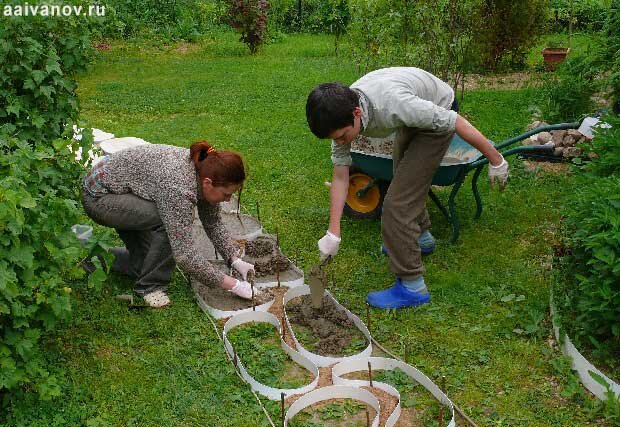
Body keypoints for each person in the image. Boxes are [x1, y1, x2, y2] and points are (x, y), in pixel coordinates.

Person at [306, 67, 509, 309]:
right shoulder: (341, 115)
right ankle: (421, 239)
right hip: (415, 104)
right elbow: (341, 178)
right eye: (334, 138)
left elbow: (455, 121)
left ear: (357, 112)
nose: (339, 142)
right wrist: (333, 233)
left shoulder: (394, 105)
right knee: (404, 178)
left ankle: (413, 286)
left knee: (396, 206)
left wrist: (497, 160)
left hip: (440, 108)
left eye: (342, 136)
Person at [81, 140, 256, 308]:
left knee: (145, 264)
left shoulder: (204, 171)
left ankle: (96, 260)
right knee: (170, 219)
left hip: (126, 190)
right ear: (207, 183)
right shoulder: (178, 188)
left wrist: (234, 259)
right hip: (100, 196)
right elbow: (184, 254)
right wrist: (232, 284)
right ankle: (150, 287)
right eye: (226, 194)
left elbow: (213, 222)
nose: (227, 200)